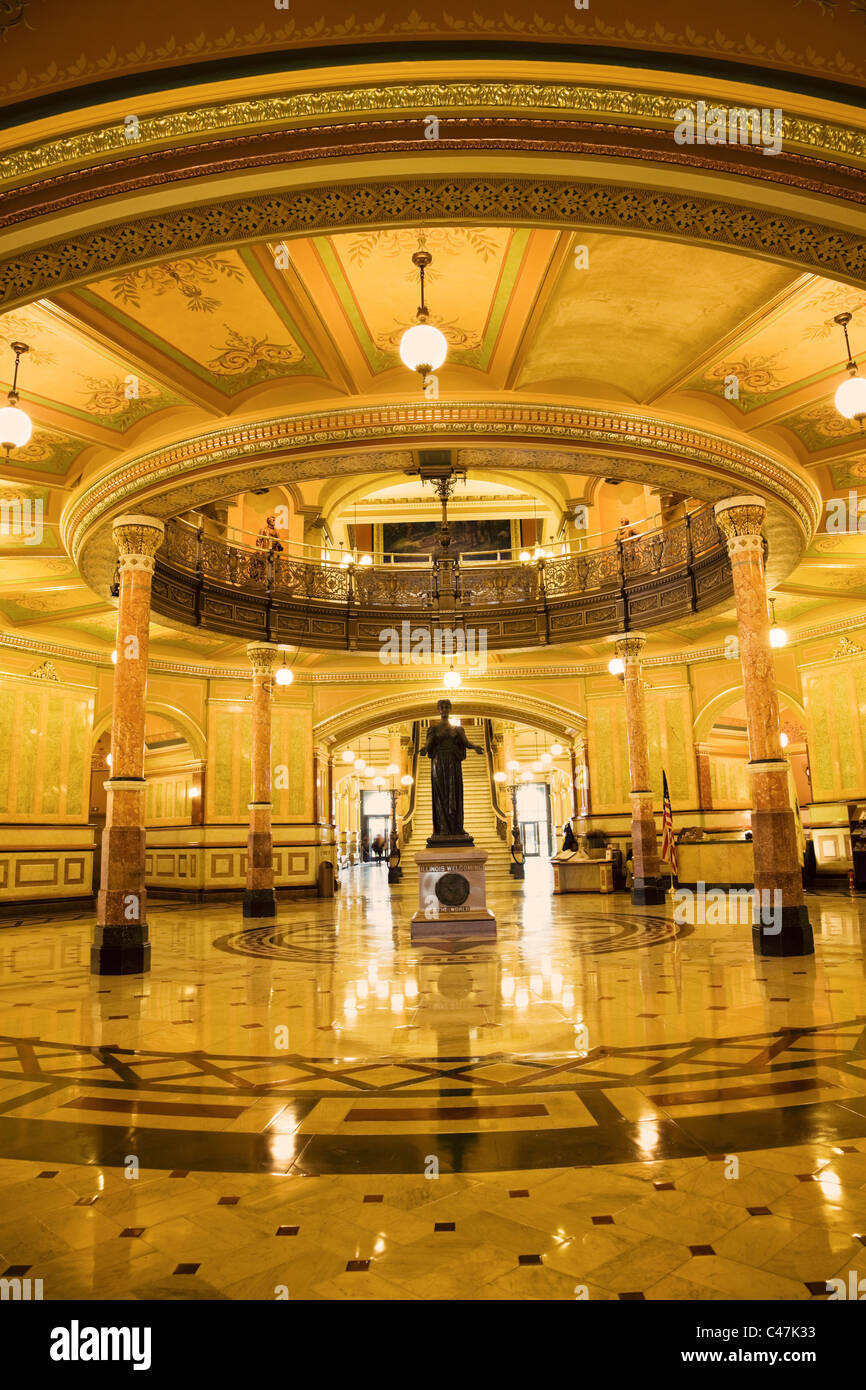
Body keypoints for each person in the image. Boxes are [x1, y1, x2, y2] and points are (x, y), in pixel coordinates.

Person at [421, 698, 483, 842]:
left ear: (449, 709)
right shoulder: (434, 729)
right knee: (441, 796)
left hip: (453, 764)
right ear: (439, 709)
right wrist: (424, 749)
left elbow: (466, 743)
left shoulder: (457, 729)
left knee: (454, 794)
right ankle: (442, 827)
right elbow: (428, 744)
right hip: (438, 764)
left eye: (446, 707)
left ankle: (456, 827)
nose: (444, 710)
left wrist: (475, 747)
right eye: (442, 707)